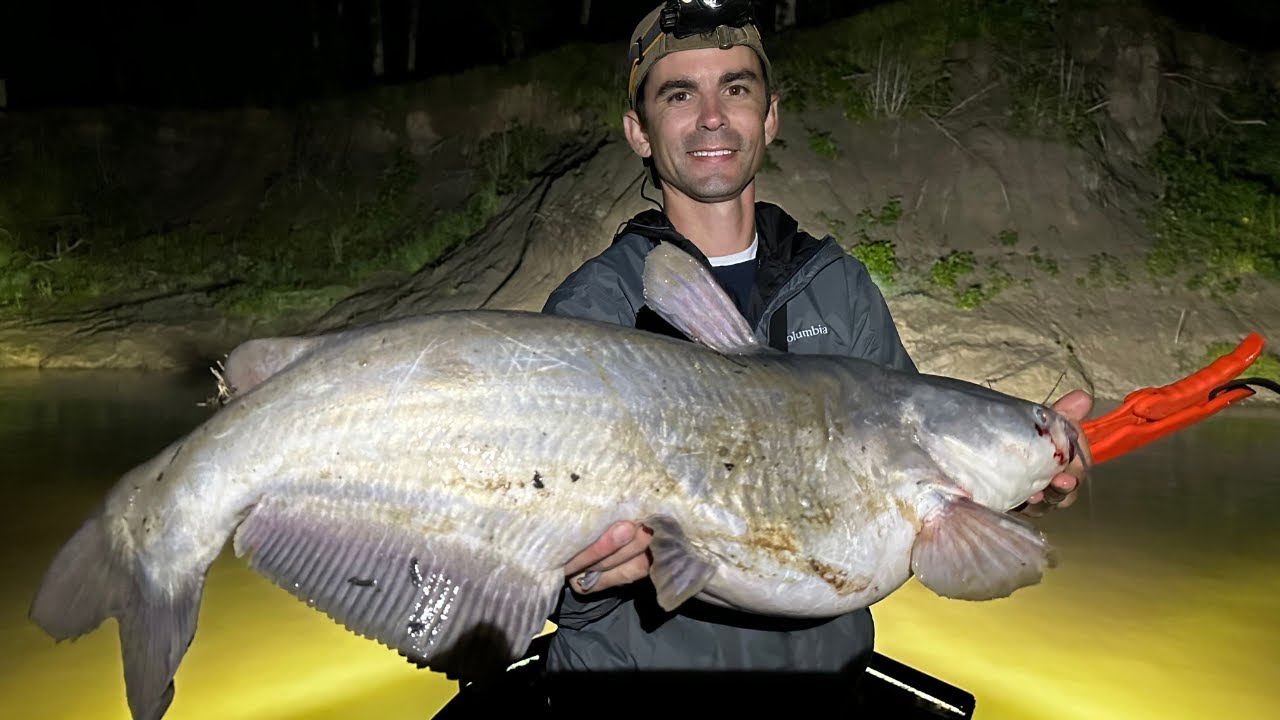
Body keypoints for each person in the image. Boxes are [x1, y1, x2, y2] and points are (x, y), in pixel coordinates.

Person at [534, 0, 1092, 709]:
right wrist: (580, 571)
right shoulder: (597, 306)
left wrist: (1019, 486)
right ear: (638, 132)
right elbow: (527, 542)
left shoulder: (838, 287)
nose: (712, 115)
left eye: (736, 88)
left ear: (769, 118)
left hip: (819, 687)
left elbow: (918, 495)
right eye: (679, 94)